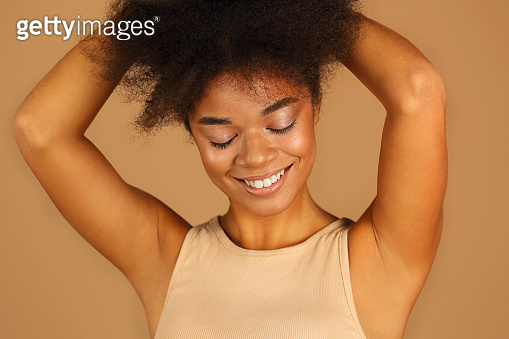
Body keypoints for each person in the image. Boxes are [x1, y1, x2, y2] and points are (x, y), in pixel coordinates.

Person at [13, 0, 447, 338]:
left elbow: (418, 89)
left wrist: (304, 11)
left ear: (315, 107)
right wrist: (153, 16)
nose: (255, 157)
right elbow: (39, 131)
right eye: (222, 137)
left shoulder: (377, 259)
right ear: (192, 131)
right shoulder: (165, 260)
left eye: (279, 124)